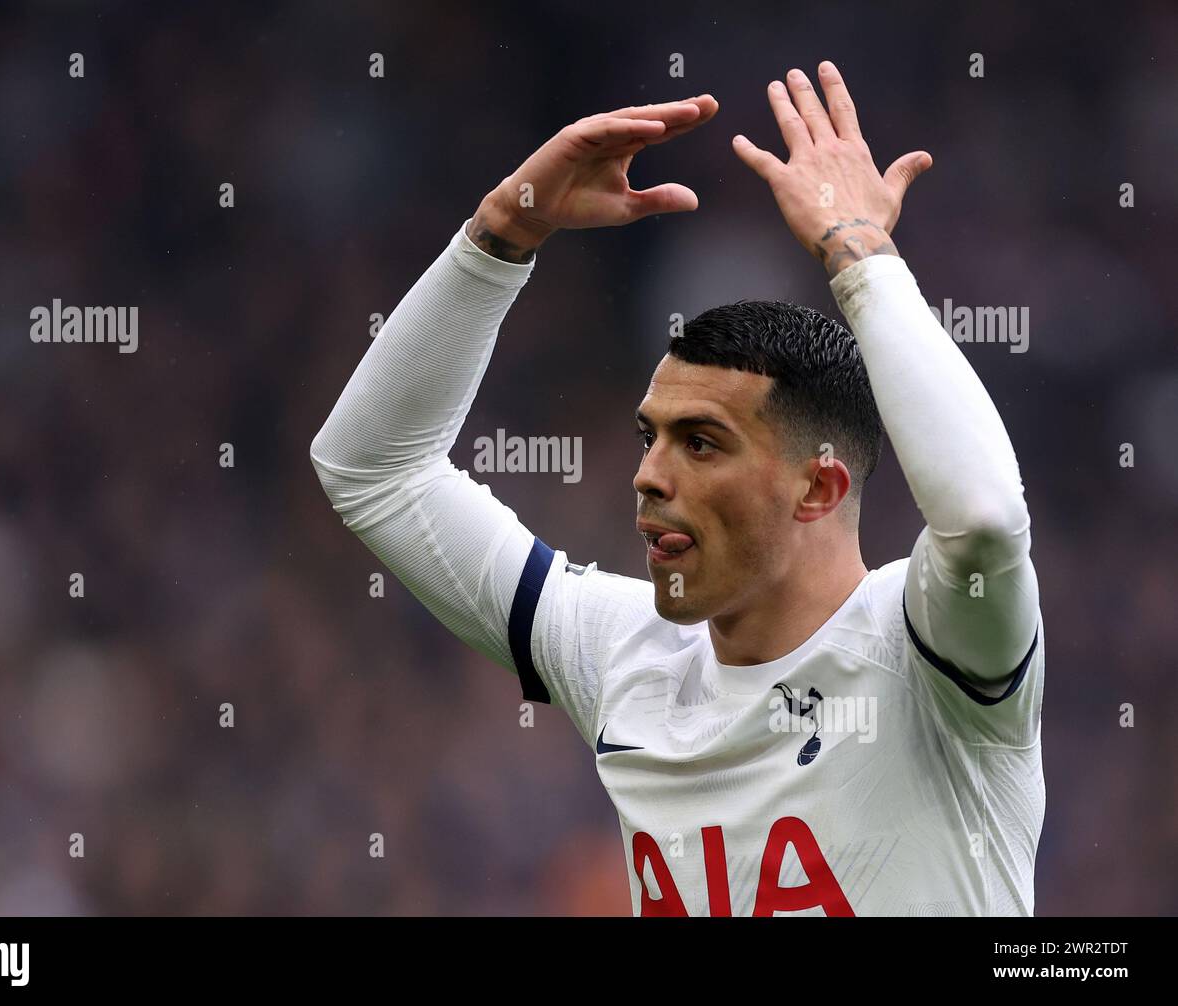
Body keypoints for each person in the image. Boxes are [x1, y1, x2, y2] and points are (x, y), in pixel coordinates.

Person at [311, 61, 1044, 916]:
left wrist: (862, 256)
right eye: (648, 437)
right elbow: (372, 468)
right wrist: (503, 232)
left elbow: (986, 519)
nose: (649, 475)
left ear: (819, 488)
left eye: (701, 444)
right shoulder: (627, 657)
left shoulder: (931, 653)